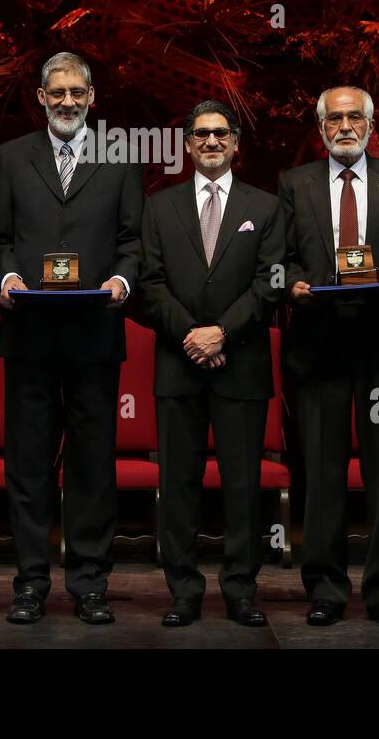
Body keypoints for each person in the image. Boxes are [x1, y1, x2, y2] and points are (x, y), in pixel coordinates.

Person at [0, 52, 143, 624]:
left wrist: (123, 280)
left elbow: (133, 240)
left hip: (94, 333)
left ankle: (89, 583)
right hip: (28, 333)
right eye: (56, 93)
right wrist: (6, 276)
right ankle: (29, 583)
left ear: (92, 97)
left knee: (92, 465)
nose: (67, 102)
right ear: (40, 97)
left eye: (77, 92)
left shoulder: (121, 158)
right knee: (27, 465)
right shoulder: (10, 157)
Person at [278, 86, 379, 627]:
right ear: (320, 126)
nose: (344, 126)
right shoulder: (294, 183)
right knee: (320, 473)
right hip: (318, 344)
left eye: (354, 117)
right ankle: (324, 587)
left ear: (371, 125)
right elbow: (284, 259)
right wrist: (294, 285)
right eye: (334, 117)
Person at [138, 100, 283, 627]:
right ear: (186, 144)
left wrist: (222, 332)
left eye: (221, 133)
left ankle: (241, 588)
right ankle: (183, 589)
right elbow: (149, 286)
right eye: (200, 134)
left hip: (240, 364)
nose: (211, 142)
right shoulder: (158, 207)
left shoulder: (265, 208)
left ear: (236, 142)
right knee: (178, 482)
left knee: (242, 484)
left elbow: (271, 282)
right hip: (178, 365)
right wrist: (192, 336)